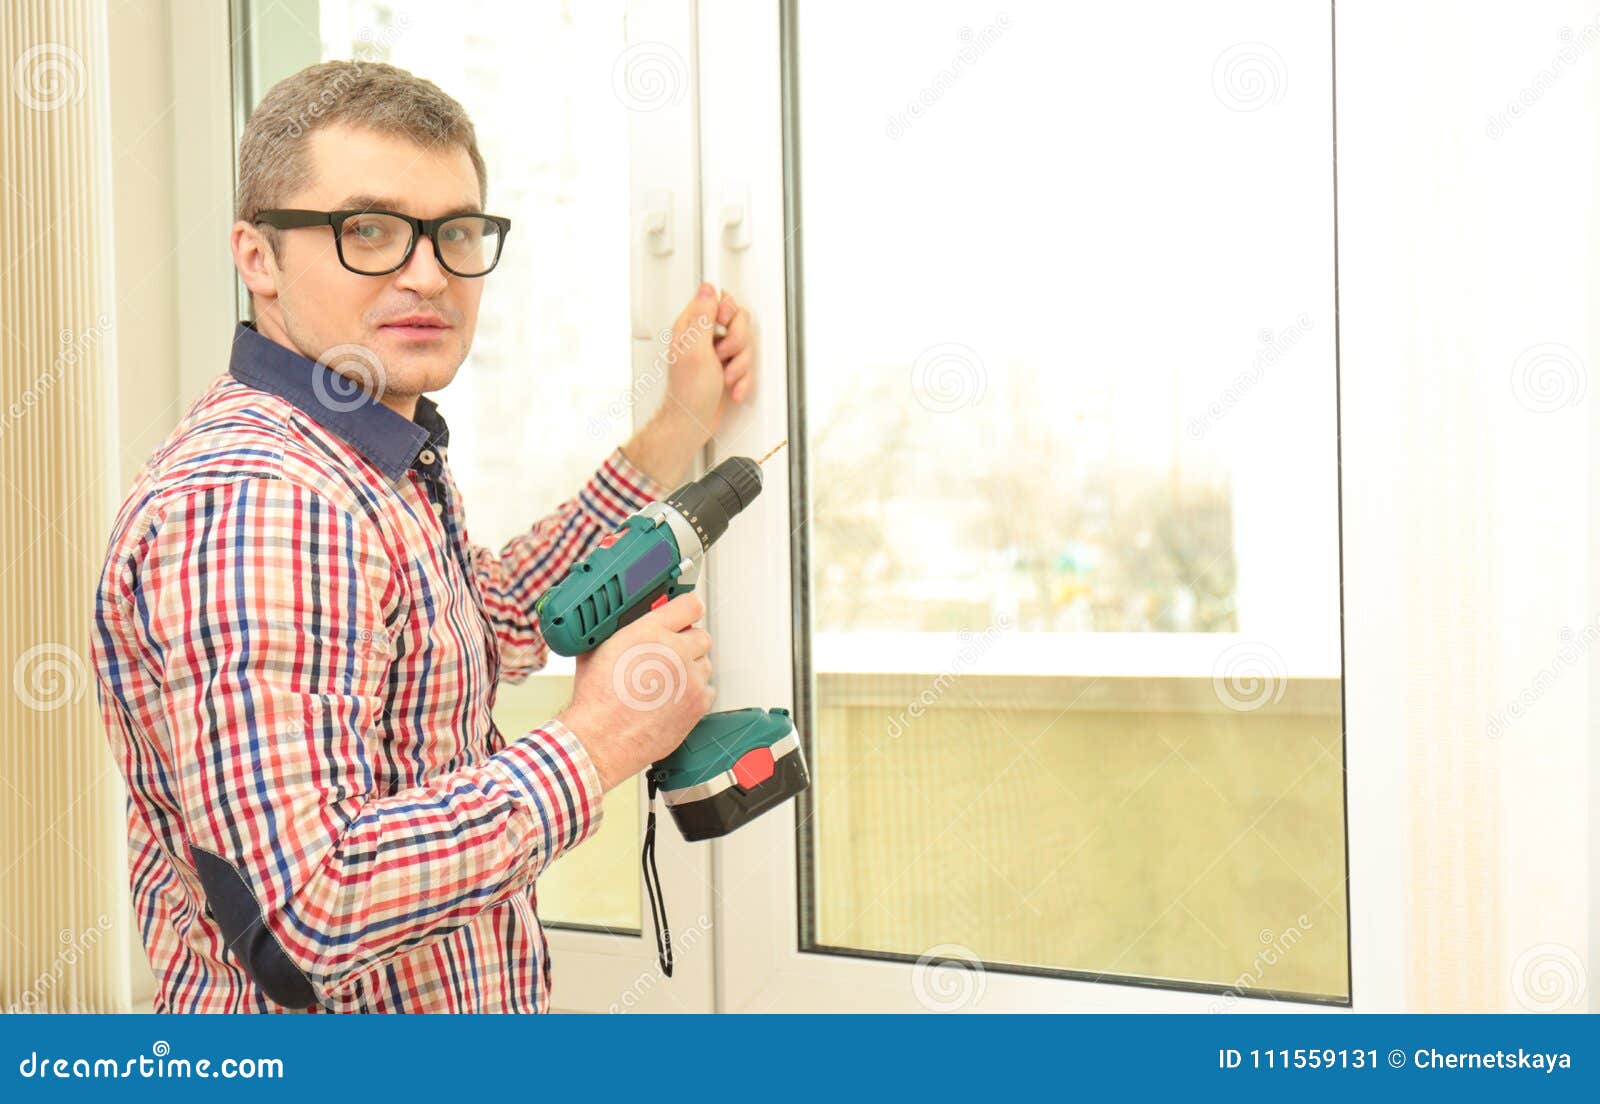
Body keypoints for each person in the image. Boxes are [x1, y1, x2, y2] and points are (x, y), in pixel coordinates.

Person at [88, 60, 754, 1013]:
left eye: (455, 233)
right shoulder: (263, 499)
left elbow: (489, 621)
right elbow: (307, 911)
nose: (428, 272)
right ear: (257, 256)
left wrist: (673, 433)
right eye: (368, 229)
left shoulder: (360, 461)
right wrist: (599, 740)